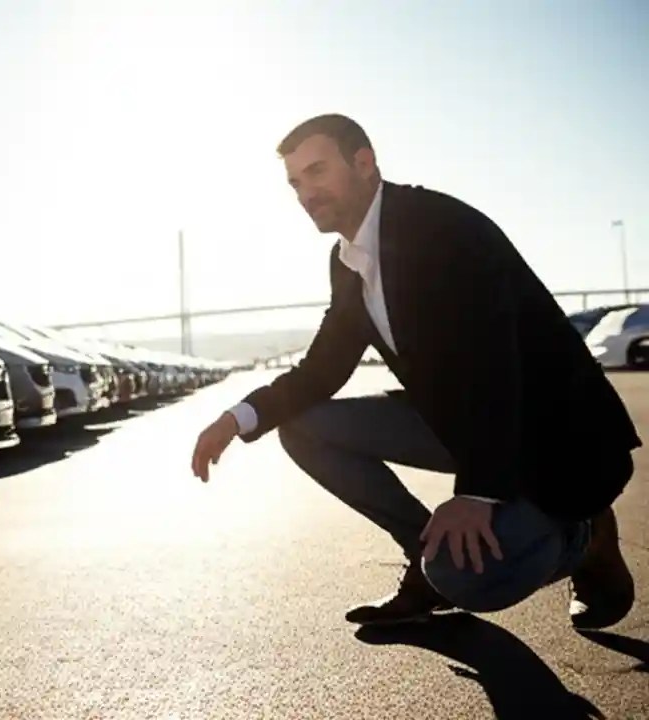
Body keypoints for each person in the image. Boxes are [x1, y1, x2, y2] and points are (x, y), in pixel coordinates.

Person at [190, 113, 641, 628]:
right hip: (463, 423)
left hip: (553, 436)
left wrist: (476, 493)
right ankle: (422, 557)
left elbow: (499, 362)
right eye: (295, 183)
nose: (306, 193)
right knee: (303, 427)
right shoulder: (347, 260)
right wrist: (236, 418)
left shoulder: (441, 227)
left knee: (466, 577)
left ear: (364, 163)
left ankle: (585, 538)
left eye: (317, 171)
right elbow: (322, 370)